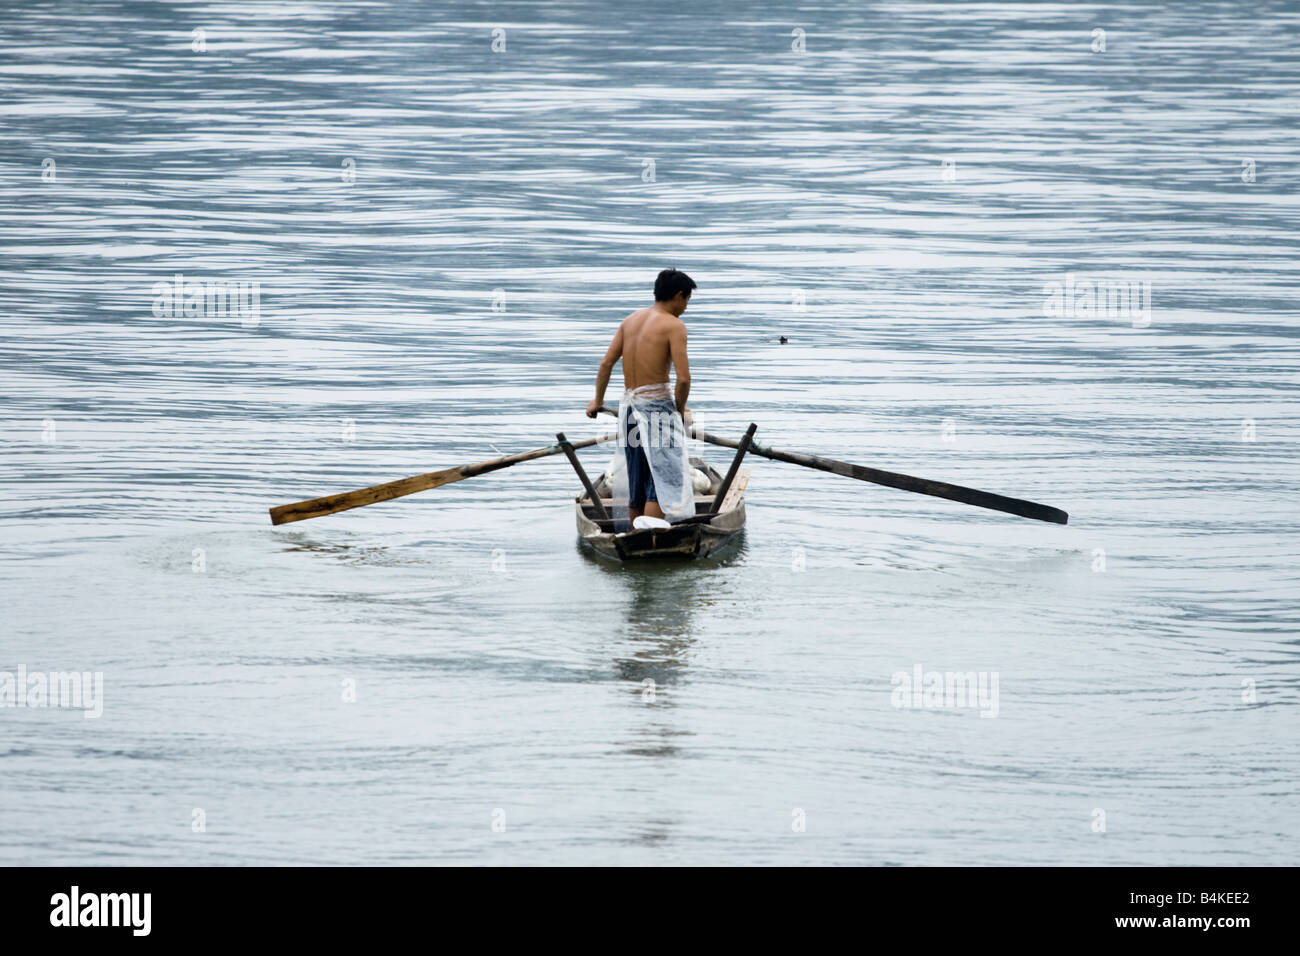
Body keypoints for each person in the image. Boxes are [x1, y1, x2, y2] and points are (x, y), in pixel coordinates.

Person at [586, 269, 697, 525]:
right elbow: (683, 379)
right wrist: (679, 410)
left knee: (638, 475)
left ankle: (636, 533)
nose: (686, 308)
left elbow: (606, 364)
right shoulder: (674, 325)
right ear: (679, 296)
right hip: (658, 412)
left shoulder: (630, 321)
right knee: (665, 477)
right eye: (687, 301)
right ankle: (650, 535)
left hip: (629, 413)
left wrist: (597, 401)